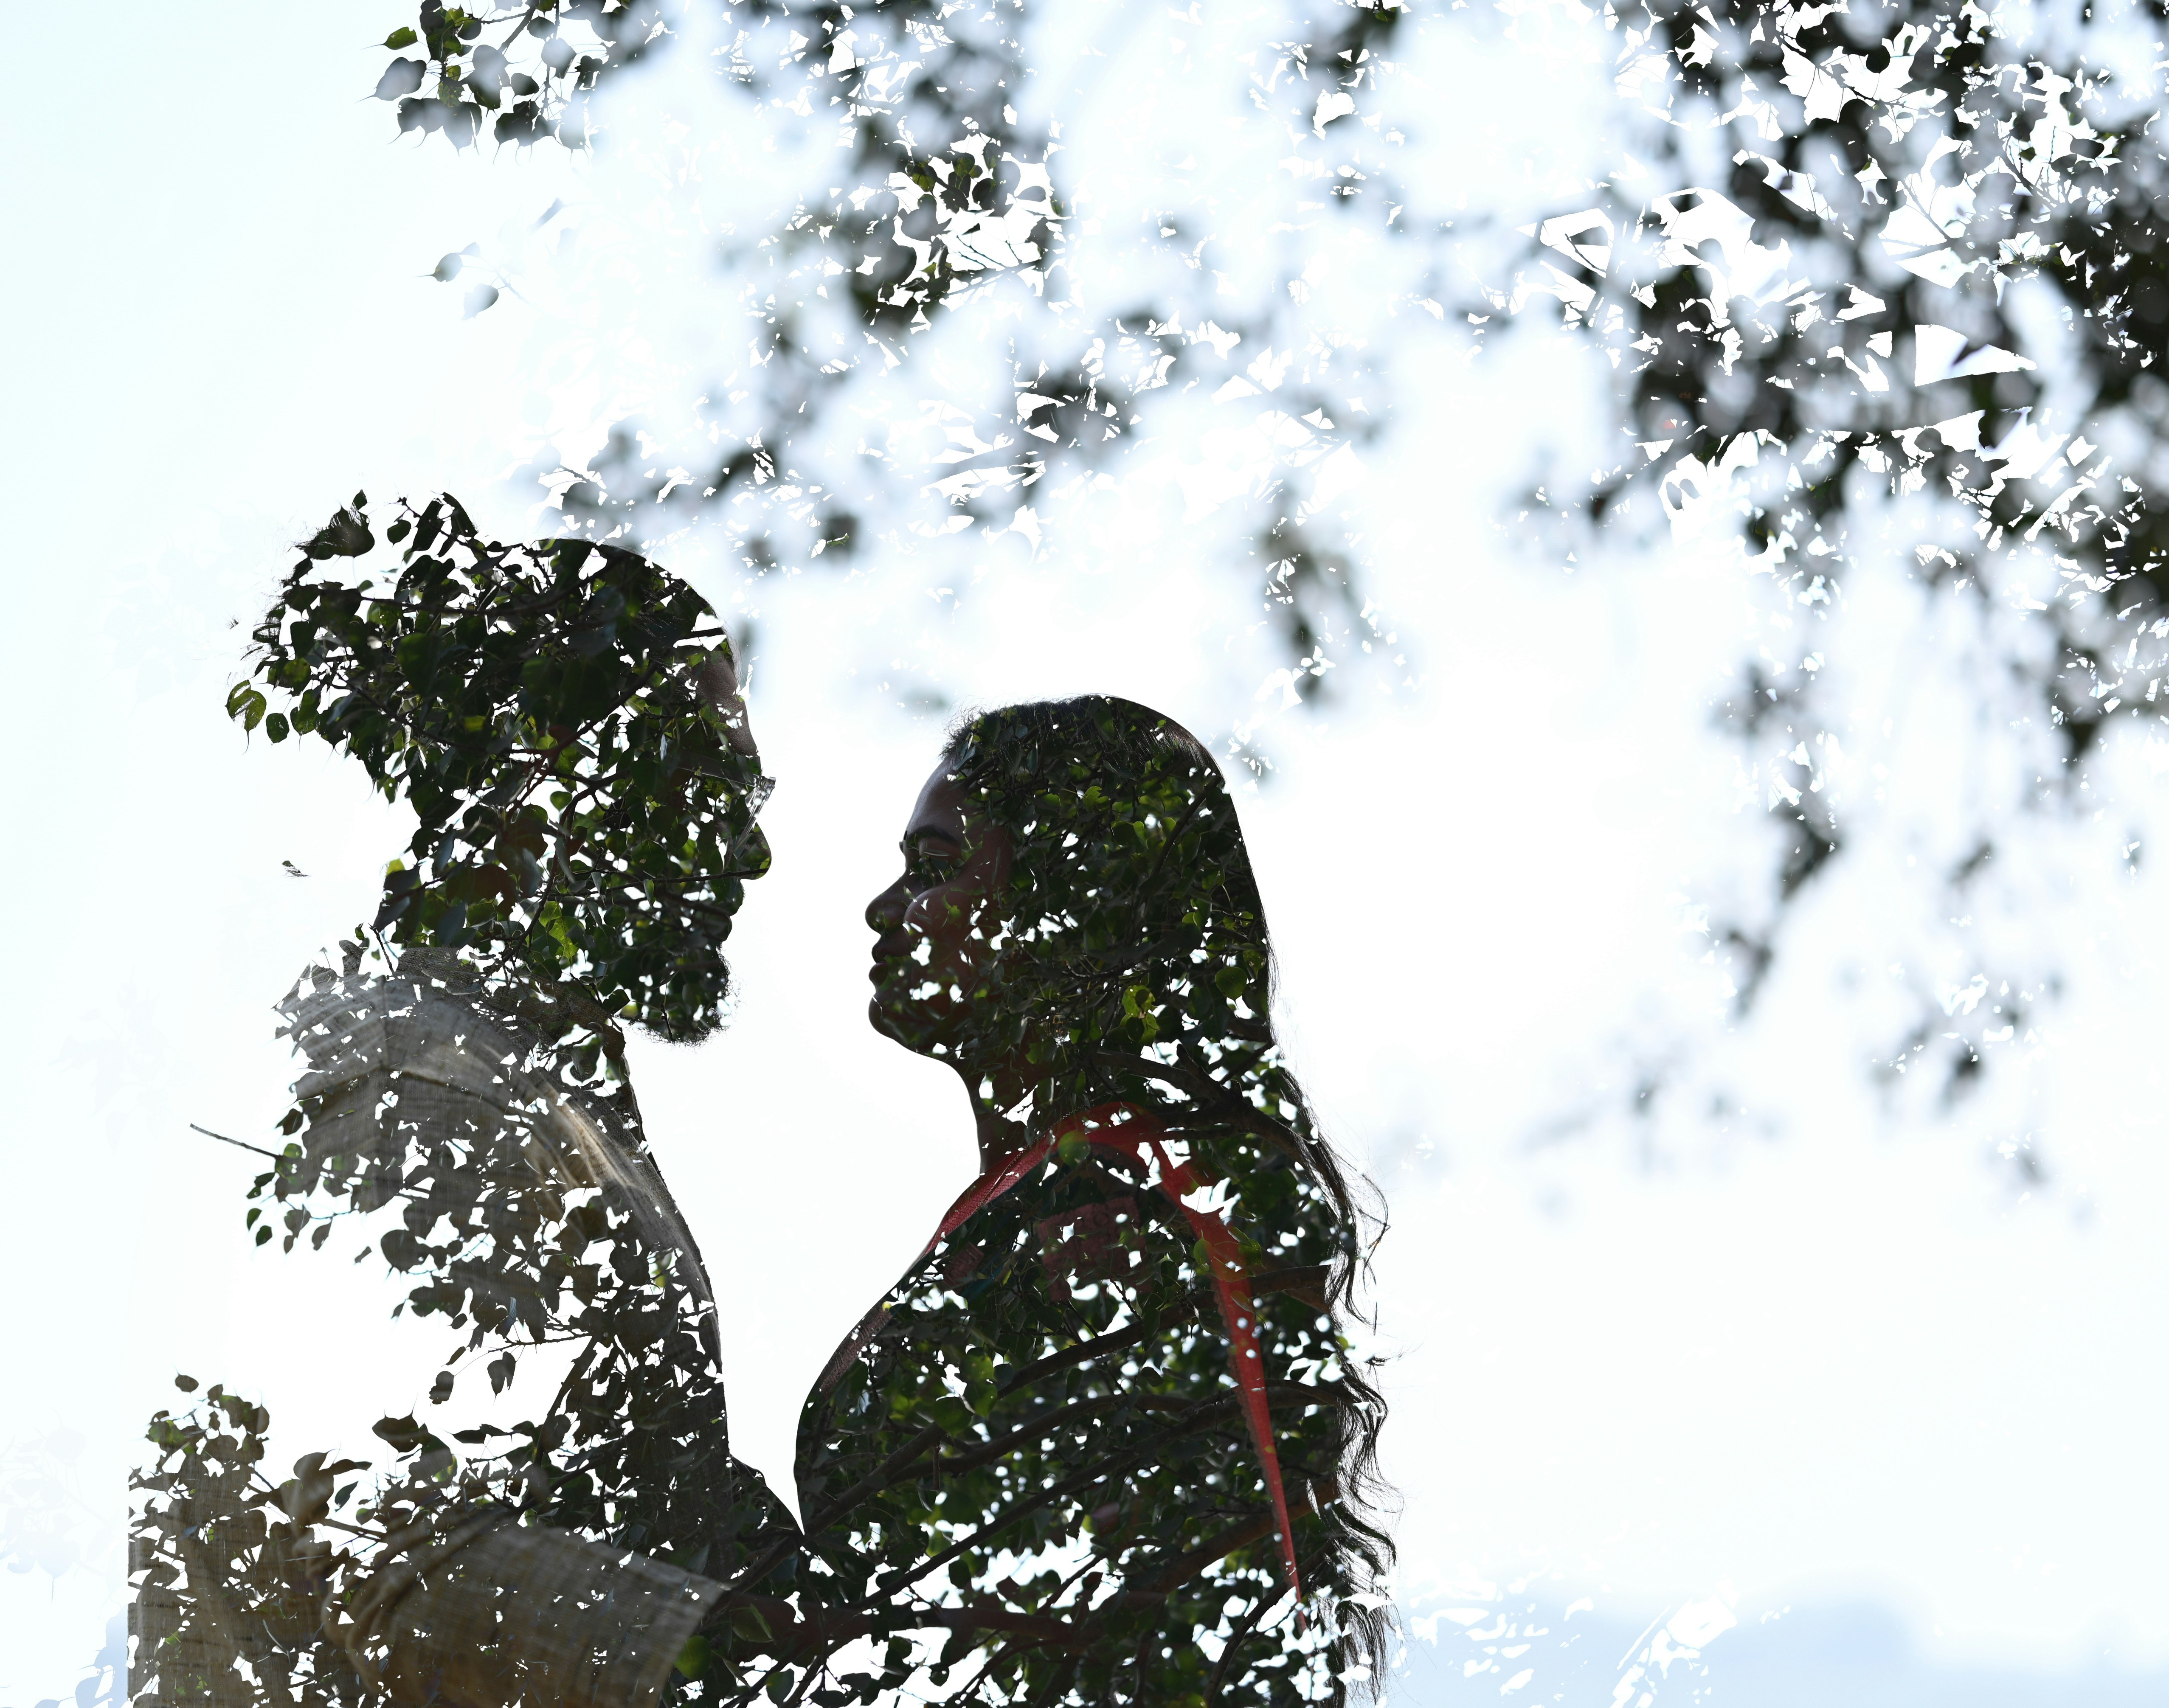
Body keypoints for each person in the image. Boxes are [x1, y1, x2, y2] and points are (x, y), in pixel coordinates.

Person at [129, 496, 785, 1707]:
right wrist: (753, 1661)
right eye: (705, 775)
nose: (744, 842)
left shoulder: (528, 1083)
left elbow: (543, 1468)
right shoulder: (410, 1080)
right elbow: (352, 1527)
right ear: (547, 777)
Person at [685, 696, 1394, 1706]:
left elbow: (1106, 1624)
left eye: (931, 869)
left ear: (1067, 904)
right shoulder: (1081, 1192)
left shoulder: (1109, 1213)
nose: (885, 909)